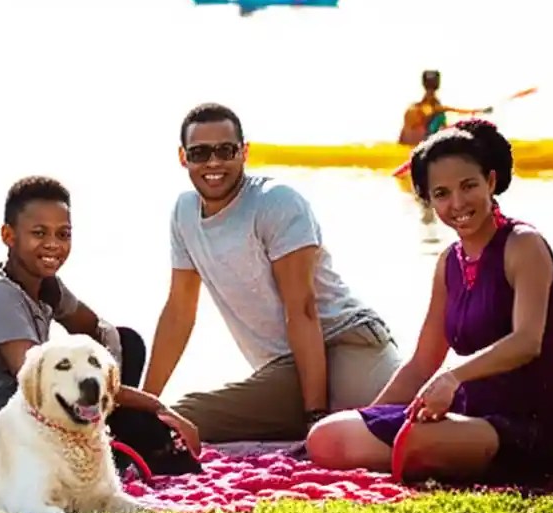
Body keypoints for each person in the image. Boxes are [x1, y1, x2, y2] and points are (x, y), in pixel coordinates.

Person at [307, 120, 553, 485]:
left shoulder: (523, 245)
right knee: (327, 437)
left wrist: (453, 377)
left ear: (490, 181)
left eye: (468, 186)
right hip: (473, 410)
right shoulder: (448, 263)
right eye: (441, 193)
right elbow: (423, 361)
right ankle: (440, 452)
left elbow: (527, 341)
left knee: (419, 443)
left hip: (538, 416)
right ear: (427, 198)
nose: (457, 203)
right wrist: (372, 416)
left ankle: (459, 455)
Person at [144, 103, 401, 443]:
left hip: (345, 346)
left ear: (244, 152)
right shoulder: (184, 213)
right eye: (200, 153)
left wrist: (315, 416)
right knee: (163, 420)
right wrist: (143, 403)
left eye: (225, 150)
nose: (213, 163)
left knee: (185, 416)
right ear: (183, 157)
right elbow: (179, 311)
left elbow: (303, 308)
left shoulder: (275, 202)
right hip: (288, 368)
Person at [0, 175, 200, 453]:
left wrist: (109, 372)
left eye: (63, 234)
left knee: (127, 342)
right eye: (39, 233)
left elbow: (97, 329)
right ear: (9, 236)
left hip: (28, 422)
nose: (53, 244)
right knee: (141, 439)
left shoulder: (46, 287)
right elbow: (41, 383)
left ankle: (122, 437)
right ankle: (123, 445)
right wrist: (154, 404)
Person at [398, 70, 491, 146]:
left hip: (413, 140)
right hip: (419, 141)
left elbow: (454, 110)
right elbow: (455, 111)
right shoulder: (427, 108)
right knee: (440, 118)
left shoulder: (417, 106)